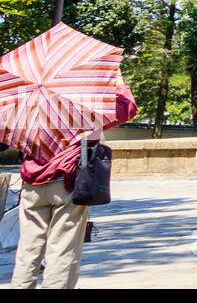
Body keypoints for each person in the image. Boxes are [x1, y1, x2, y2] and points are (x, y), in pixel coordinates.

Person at [11, 83, 136, 290]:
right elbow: (126, 109)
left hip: (32, 181)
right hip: (67, 180)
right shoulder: (84, 102)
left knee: (28, 248)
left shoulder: (31, 100)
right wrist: (119, 84)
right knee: (62, 247)